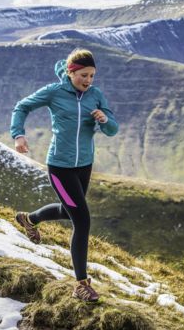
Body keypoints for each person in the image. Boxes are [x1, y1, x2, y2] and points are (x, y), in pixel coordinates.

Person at [10, 48, 118, 303]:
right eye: (83, 75)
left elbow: (113, 129)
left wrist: (104, 120)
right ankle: (81, 284)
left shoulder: (96, 95)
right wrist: (18, 134)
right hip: (60, 166)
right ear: (71, 73)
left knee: (66, 210)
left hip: (84, 165)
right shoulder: (54, 92)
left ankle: (29, 219)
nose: (88, 81)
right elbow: (22, 107)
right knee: (81, 221)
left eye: (92, 76)